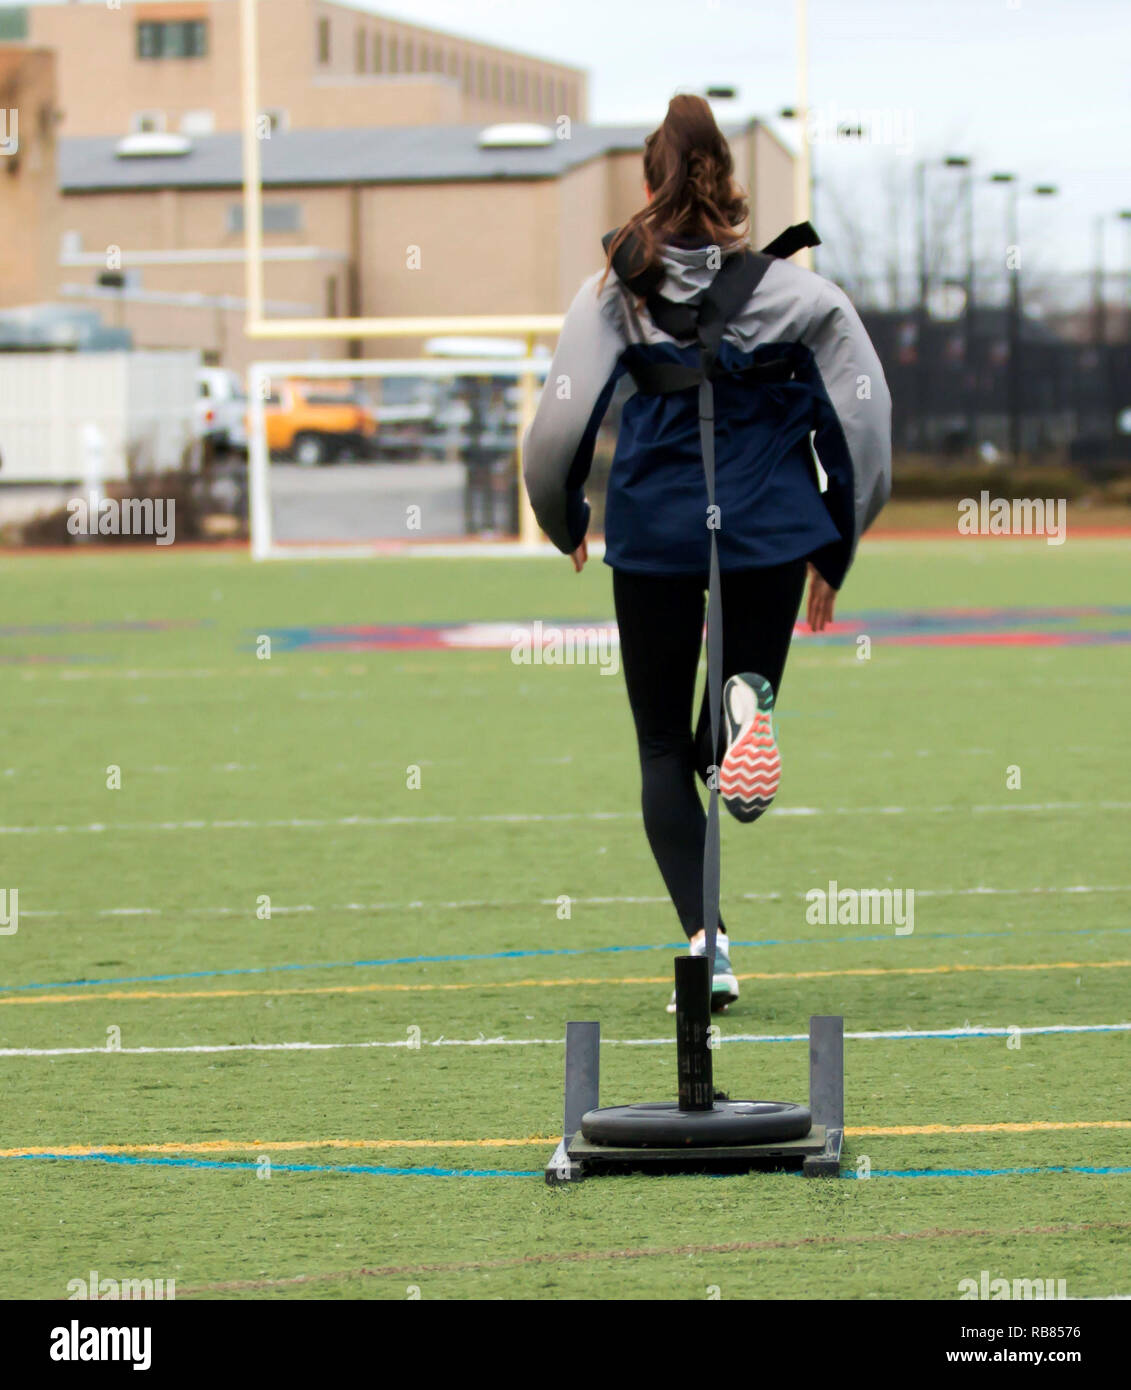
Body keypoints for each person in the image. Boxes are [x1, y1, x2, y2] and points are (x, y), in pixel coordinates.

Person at [523, 94, 891, 1012]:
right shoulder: (803, 293)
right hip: (770, 532)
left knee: (657, 750)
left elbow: (558, 422)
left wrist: (563, 515)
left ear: (651, 184)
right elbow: (867, 423)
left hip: (656, 533)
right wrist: (836, 545)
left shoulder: (614, 288)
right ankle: (739, 713)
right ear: (730, 185)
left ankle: (709, 942)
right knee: (725, 741)